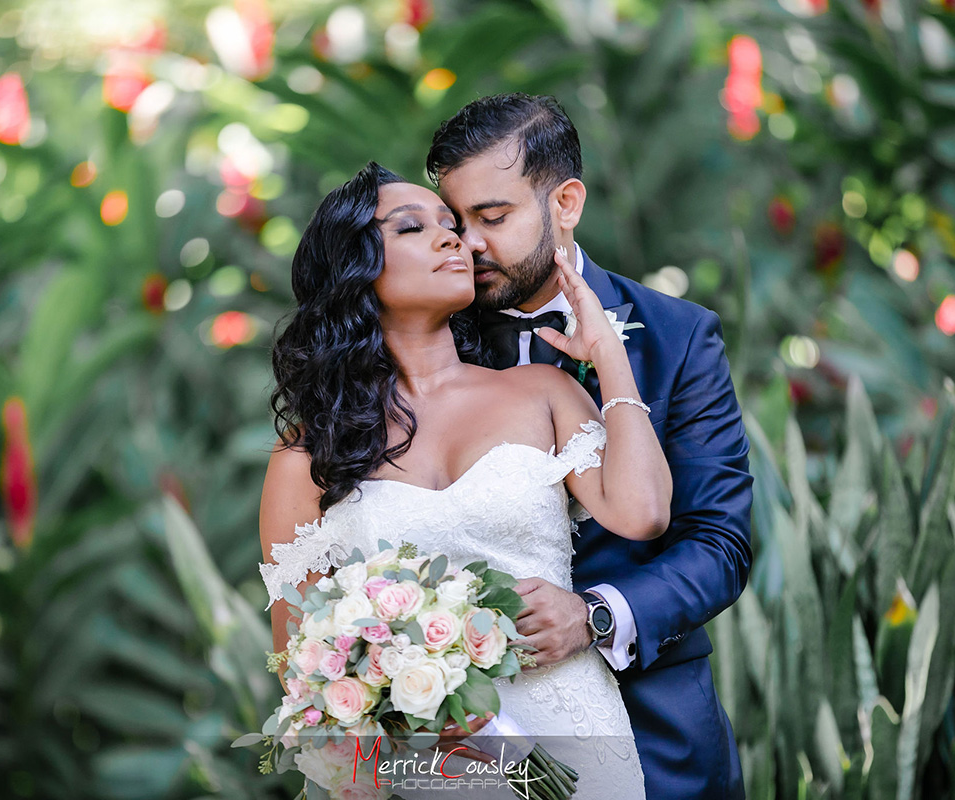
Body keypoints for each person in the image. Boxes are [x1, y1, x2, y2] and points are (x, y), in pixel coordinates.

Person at [259, 161, 672, 798]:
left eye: (451, 225)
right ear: (356, 268)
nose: (455, 239)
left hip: (576, 736)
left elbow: (642, 513)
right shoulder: (305, 461)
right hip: (428, 772)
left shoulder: (542, 391)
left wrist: (608, 355)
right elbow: (305, 674)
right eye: (412, 227)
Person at [425, 93, 753, 798]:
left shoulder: (677, 336)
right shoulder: (425, 341)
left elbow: (720, 544)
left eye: (494, 216)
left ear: (566, 202)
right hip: (466, 751)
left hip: (653, 735)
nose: (471, 244)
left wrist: (595, 614)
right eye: (457, 222)